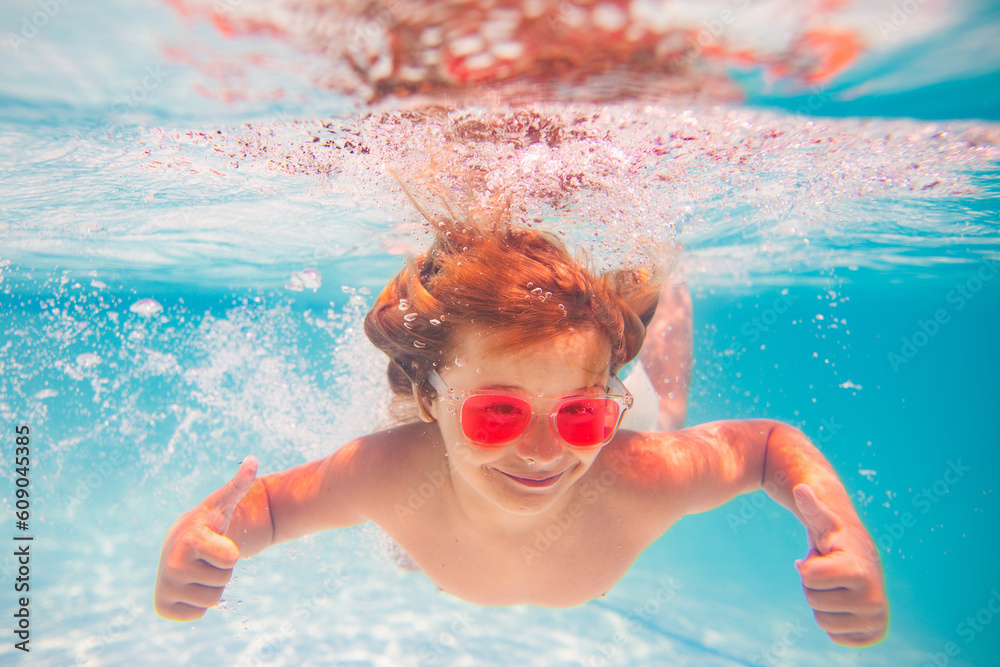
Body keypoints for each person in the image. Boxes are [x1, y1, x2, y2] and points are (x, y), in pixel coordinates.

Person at [154, 191, 888, 647]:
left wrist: (846, 536)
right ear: (436, 400)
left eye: (581, 413)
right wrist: (204, 540)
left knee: (664, 411)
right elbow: (275, 507)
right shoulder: (393, 471)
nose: (542, 451)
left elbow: (766, 447)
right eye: (498, 412)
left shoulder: (639, 474)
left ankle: (656, 306)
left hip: (617, 442)